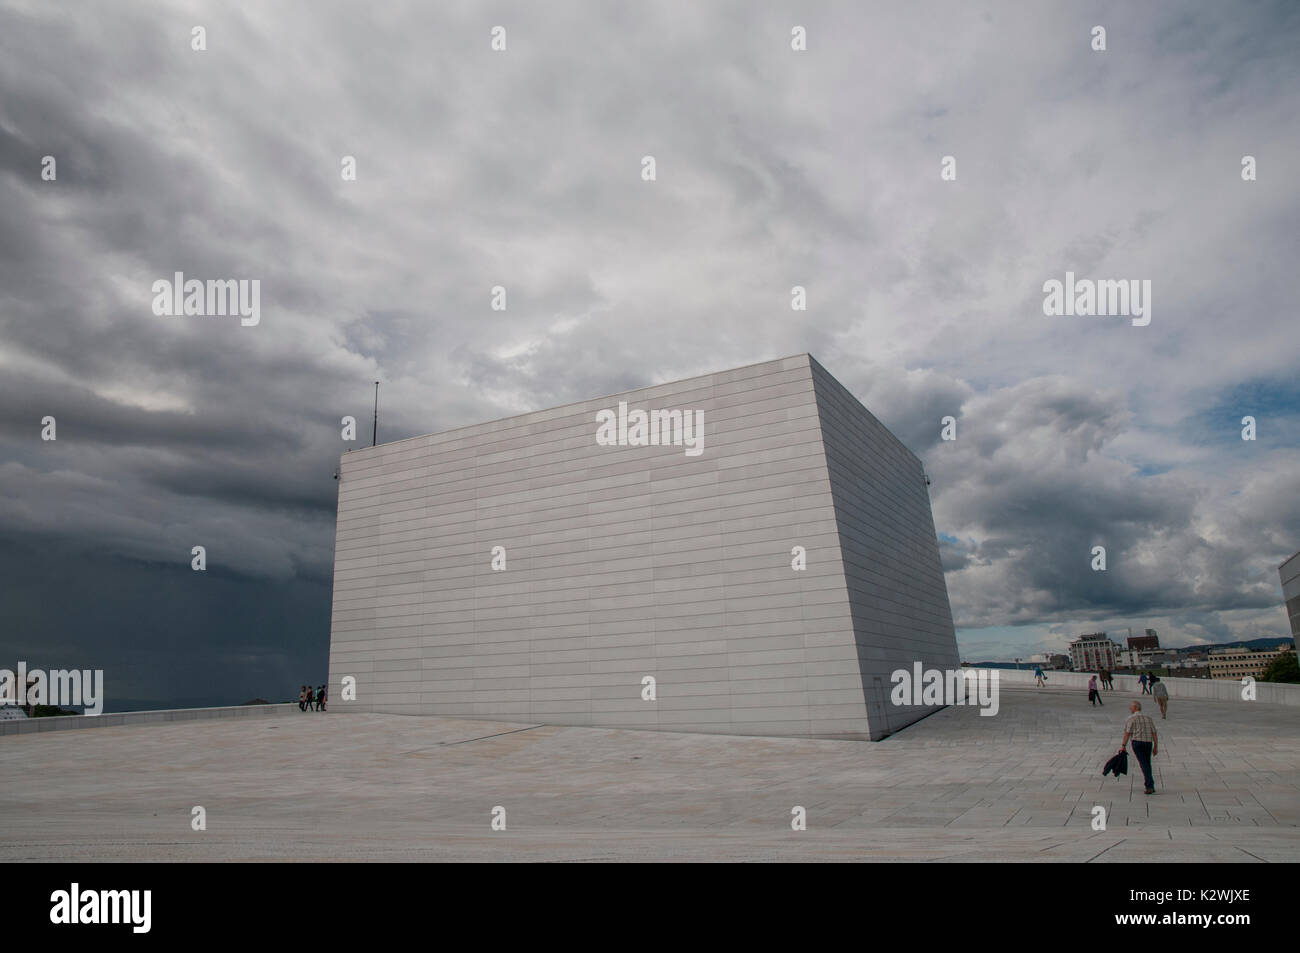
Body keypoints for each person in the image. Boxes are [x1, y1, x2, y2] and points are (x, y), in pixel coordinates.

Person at [1120, 700, 1159, 794]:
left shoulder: (1131, 718)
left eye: (1131, 707)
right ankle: (1150, 784)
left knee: (1143, 764)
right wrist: (1155, 747)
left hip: (1137, 743)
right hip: (1148, 743)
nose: (1130, 709)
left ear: (1136, 708)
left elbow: (1127, 733)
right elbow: (1154, 733)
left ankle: (1149, 785)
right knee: (1147, 763)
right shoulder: (1148, 718)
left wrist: (1123, 745)